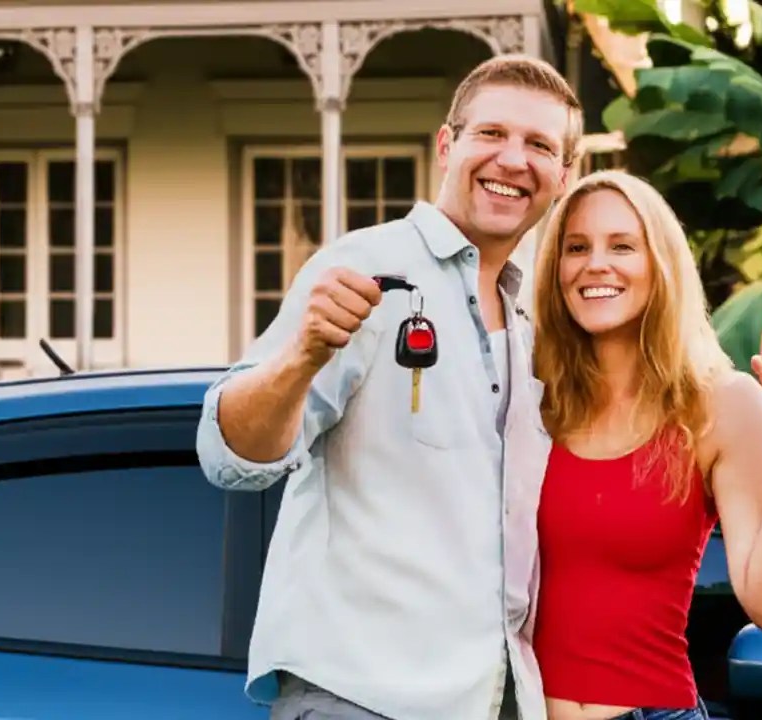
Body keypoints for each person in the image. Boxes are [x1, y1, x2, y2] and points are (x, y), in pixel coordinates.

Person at [196, 54, 583, 720]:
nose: (513, 160)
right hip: (361, 700)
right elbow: (230, 457)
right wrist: (302, 356)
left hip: (493, 699)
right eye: (491, 134)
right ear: (446, 145)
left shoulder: (533, 324)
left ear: (563, 175)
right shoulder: (366, 269)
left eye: (540, 145)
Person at [528, 170, 762, 720]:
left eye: (622, 246)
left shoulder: (722, 404)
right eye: (577, 247)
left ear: (659, 265)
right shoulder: (532, 397)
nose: (596, 264)